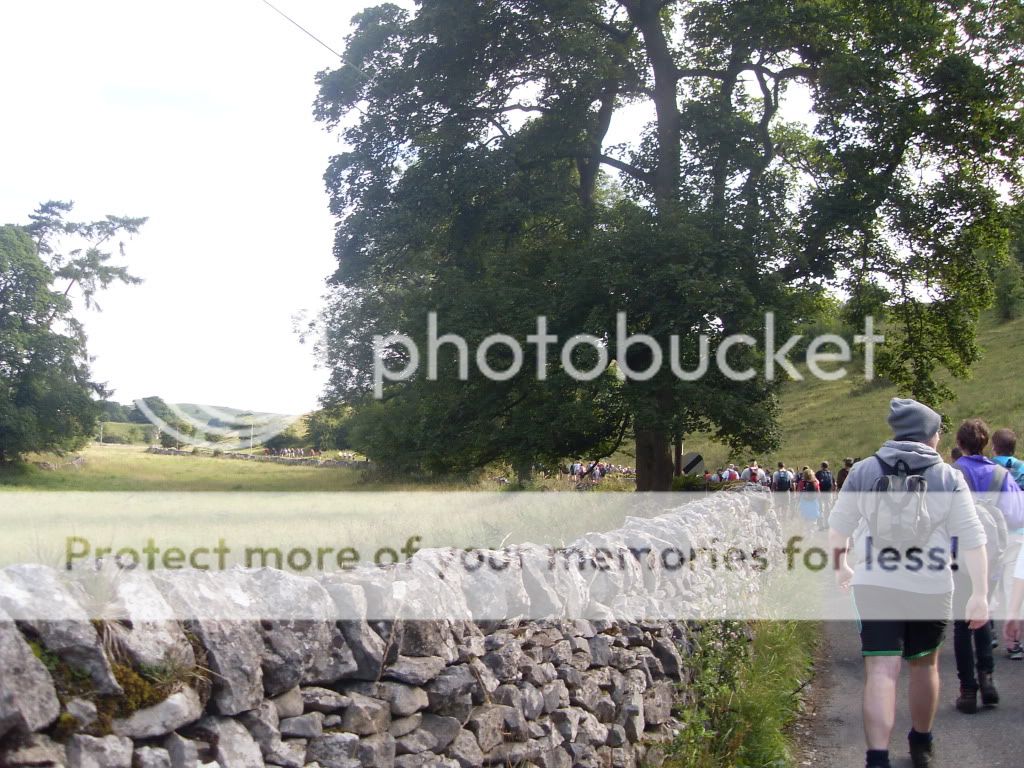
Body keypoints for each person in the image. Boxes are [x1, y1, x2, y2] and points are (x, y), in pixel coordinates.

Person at [828, 398, 988, 768]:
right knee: (923, 666)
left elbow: (839, 530)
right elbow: (972, 538)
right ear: (931, 435)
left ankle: (877, 757)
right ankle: (921, 744)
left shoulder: (865, 470)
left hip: (874, 582)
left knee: (882, 669)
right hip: (931, 585)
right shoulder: (948, 476)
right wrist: (979, 593)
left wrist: (842, 569)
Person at [949, 419, 1024, 712]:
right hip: (991, 554)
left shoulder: (952, 474)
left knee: (961, 625)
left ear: (961, 443)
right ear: (985, 443)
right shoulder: (1001, 475)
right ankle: (987, 677)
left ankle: (967, 689)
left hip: (958, 556)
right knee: (983, 615)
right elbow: (1017, 516)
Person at [797, 467, 821, 531]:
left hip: (804, 504)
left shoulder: (801, 482)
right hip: (814, 504)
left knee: (804, 522)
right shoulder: (816, 483)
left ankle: (805, 535)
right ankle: (811, 535)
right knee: (812, 523)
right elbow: (819, 495)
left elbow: (798, 494)